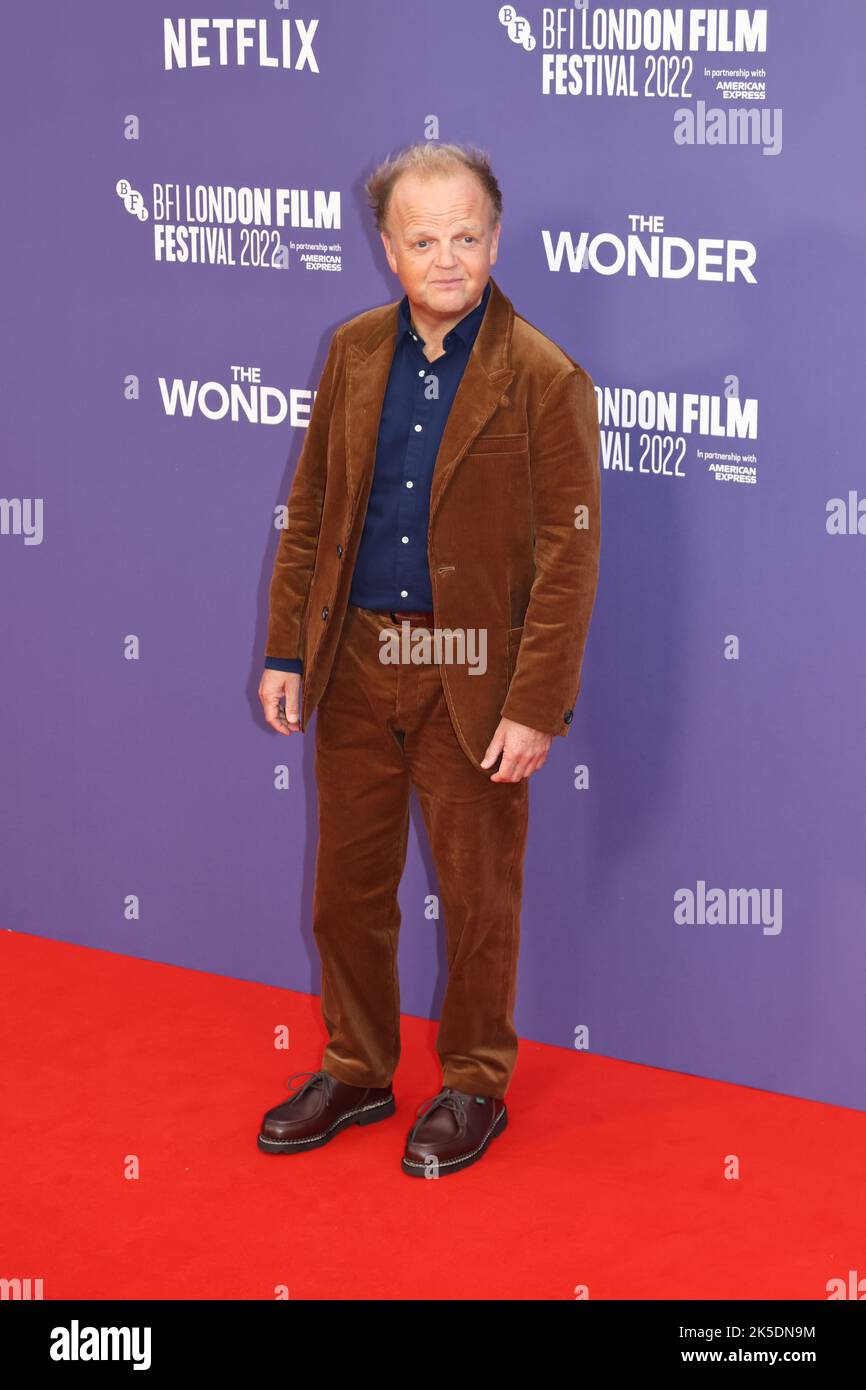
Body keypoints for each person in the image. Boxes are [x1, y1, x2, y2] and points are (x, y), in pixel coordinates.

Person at [256, 141, 601, 1177]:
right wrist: (286, 645)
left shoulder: (544, 376)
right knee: (346, 890)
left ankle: (472, 1082)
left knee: (478, 891)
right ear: (388, 249)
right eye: (421, 238)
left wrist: (533, 703)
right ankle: (357, 1065)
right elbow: (312, 507)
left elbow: (567, 553)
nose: (444, 256)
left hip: (474, 673)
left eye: (464, 236)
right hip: (354, 659)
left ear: (493, 241)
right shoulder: (354, 350)